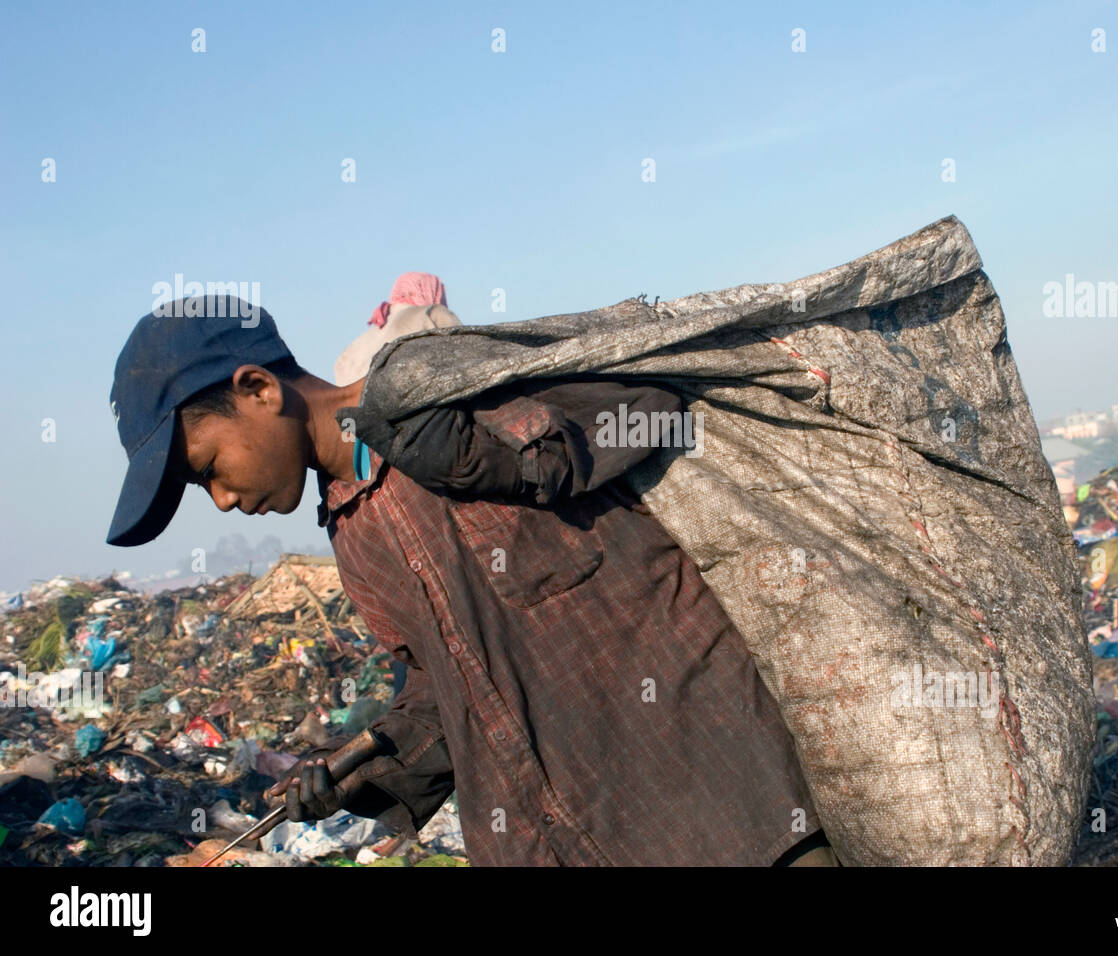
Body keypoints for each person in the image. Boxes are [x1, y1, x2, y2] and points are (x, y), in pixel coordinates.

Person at [106, 294, 838, 866]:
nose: (225, 499)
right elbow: (450, 693)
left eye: (206, 471)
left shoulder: (441, 392)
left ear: (259, 388)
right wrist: (362, 768)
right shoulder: (353, 535)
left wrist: (500, 453)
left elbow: (653, 402)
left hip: (728, 823)